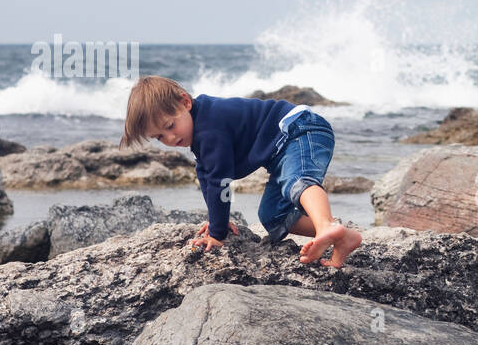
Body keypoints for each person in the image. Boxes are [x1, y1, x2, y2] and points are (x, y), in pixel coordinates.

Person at [120, 75, 361, 267]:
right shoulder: (199, 133)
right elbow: (206, 176)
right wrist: (219, 223)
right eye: (160, 137)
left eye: (170, 126)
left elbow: (220, 182)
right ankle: (342, 237)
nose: (171, 138)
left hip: (299, 129)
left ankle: (326, 226)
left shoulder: (209, 127)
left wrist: (216, 234)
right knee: (272, 217)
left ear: (185, 102)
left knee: (296, 181)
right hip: (280, 152)